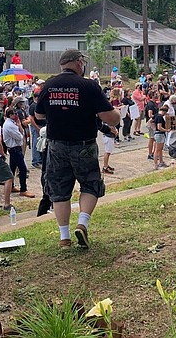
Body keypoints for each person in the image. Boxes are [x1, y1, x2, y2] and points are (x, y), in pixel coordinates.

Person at [34, 49, 118, 250]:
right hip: (84, 144)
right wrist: (115, 115)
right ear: (79, 63)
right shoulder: (89, 86)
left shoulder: (49, 85)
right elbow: (111, 118)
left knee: (59, 189)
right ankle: (82, 223)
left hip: (56, 145)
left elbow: (38, 116)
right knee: (90, 184)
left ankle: (64, 237)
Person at [2, 106, 34, 197]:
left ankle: (11, 186)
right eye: (15, 114)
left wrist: (19, 127)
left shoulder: (12, 123)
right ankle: (23, 189)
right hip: (14, 148)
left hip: (14, 148)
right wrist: (20, 127)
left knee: (12, 168)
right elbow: (20, 137)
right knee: (22, 169)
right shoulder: (10, 125)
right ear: (10, 115)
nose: (16, 115)